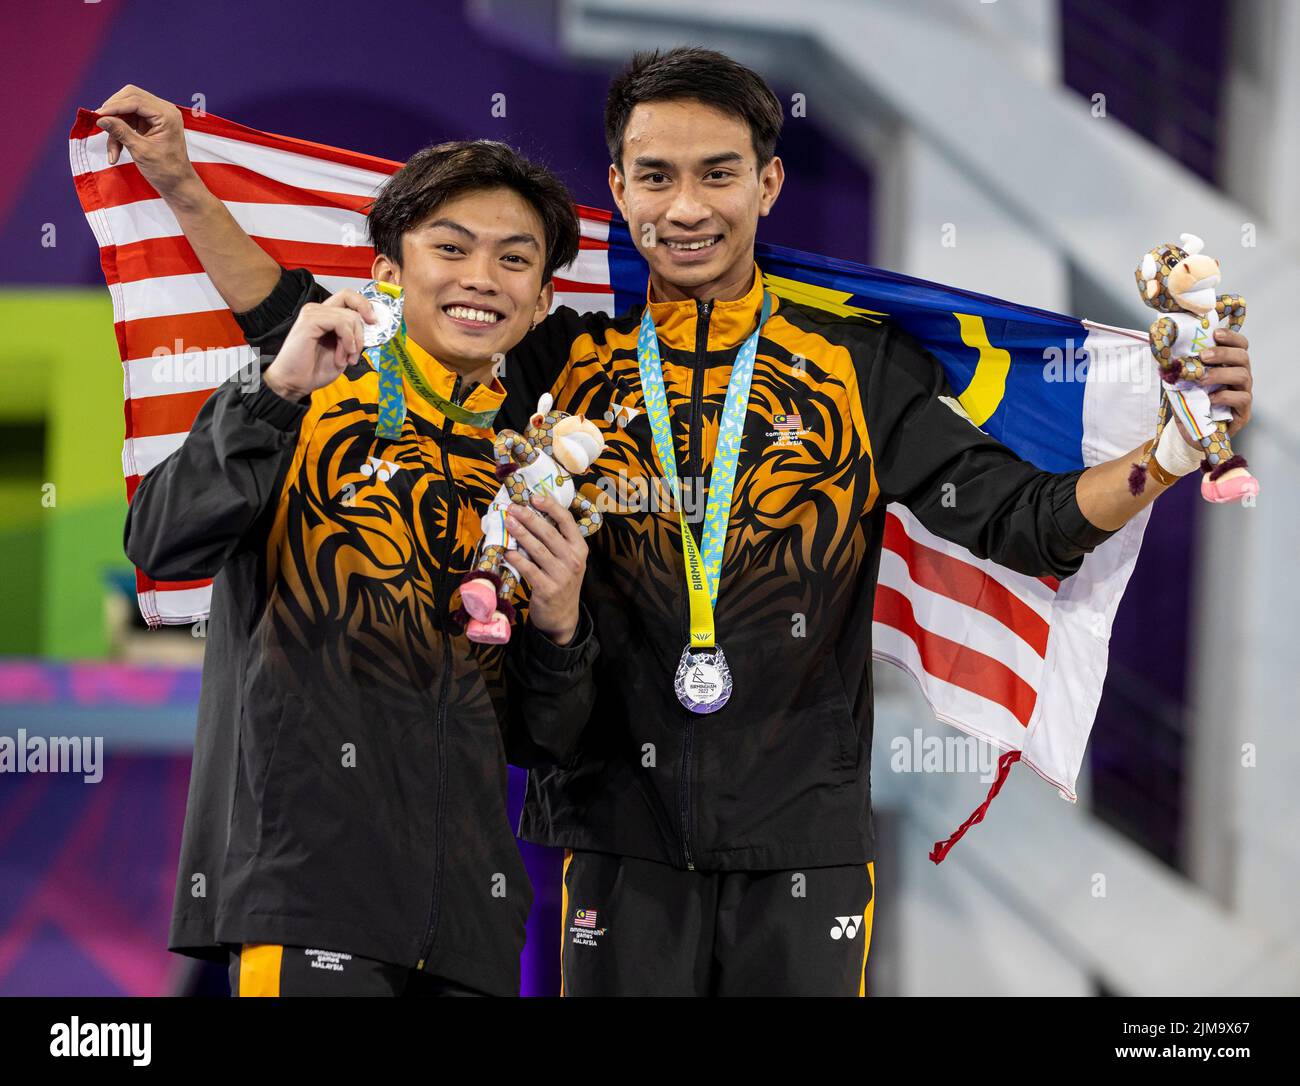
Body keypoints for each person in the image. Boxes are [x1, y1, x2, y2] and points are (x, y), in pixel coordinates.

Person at [102, 45, 1254, 996]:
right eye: (654, 176)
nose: (685, 206)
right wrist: (187, 191)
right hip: (611, 836)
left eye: (717, 173)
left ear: (768, 184)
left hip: (801, 846)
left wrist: (1165, 447)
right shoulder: (553, 355)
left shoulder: (854, 365)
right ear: (619, 185)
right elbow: (317, 330)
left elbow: (1028, 523)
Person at [111, 95, 600, 996]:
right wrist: (272, 392)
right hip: (306, 899)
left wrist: (563, 625)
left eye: (513, 259)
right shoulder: (302, 402)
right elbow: (164, 540)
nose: (481, 277)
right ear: (388, 271)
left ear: (541, 304)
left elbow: (546, 741)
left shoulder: (535, 479)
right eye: (450, 248)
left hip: (473, 927)